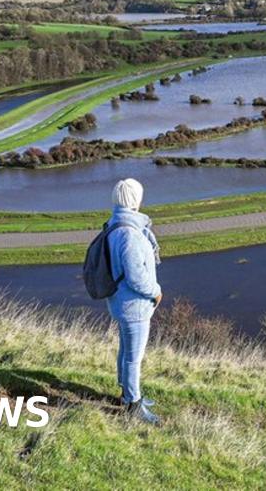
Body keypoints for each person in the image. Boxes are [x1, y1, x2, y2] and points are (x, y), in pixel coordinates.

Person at [106, 178, 163, 424]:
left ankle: (126, 392)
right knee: (133, 356)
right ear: (135, 200)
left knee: (126, 349)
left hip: (120, 301)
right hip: (134, 305)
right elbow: (137, 277)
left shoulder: (114, 224)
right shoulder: (129, 233)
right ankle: (133, 404)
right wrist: (156, 292)